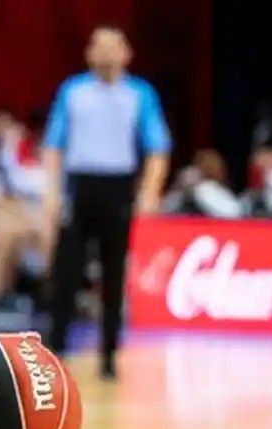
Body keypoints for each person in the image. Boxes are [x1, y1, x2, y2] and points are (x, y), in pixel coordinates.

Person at [40, 26, 171, 380]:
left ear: (126, 53)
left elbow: (157, 146)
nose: (106, 53)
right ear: (89, 53)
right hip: (80, 186)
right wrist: (51, 191)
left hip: (117, 188)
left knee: (114, 273)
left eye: (113, 47)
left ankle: (109, 354)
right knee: (67, 269)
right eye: (99, 46)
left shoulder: (139, 94)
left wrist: (149, 190)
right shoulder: (74, 92)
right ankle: (54, 350)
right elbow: (54, 144)